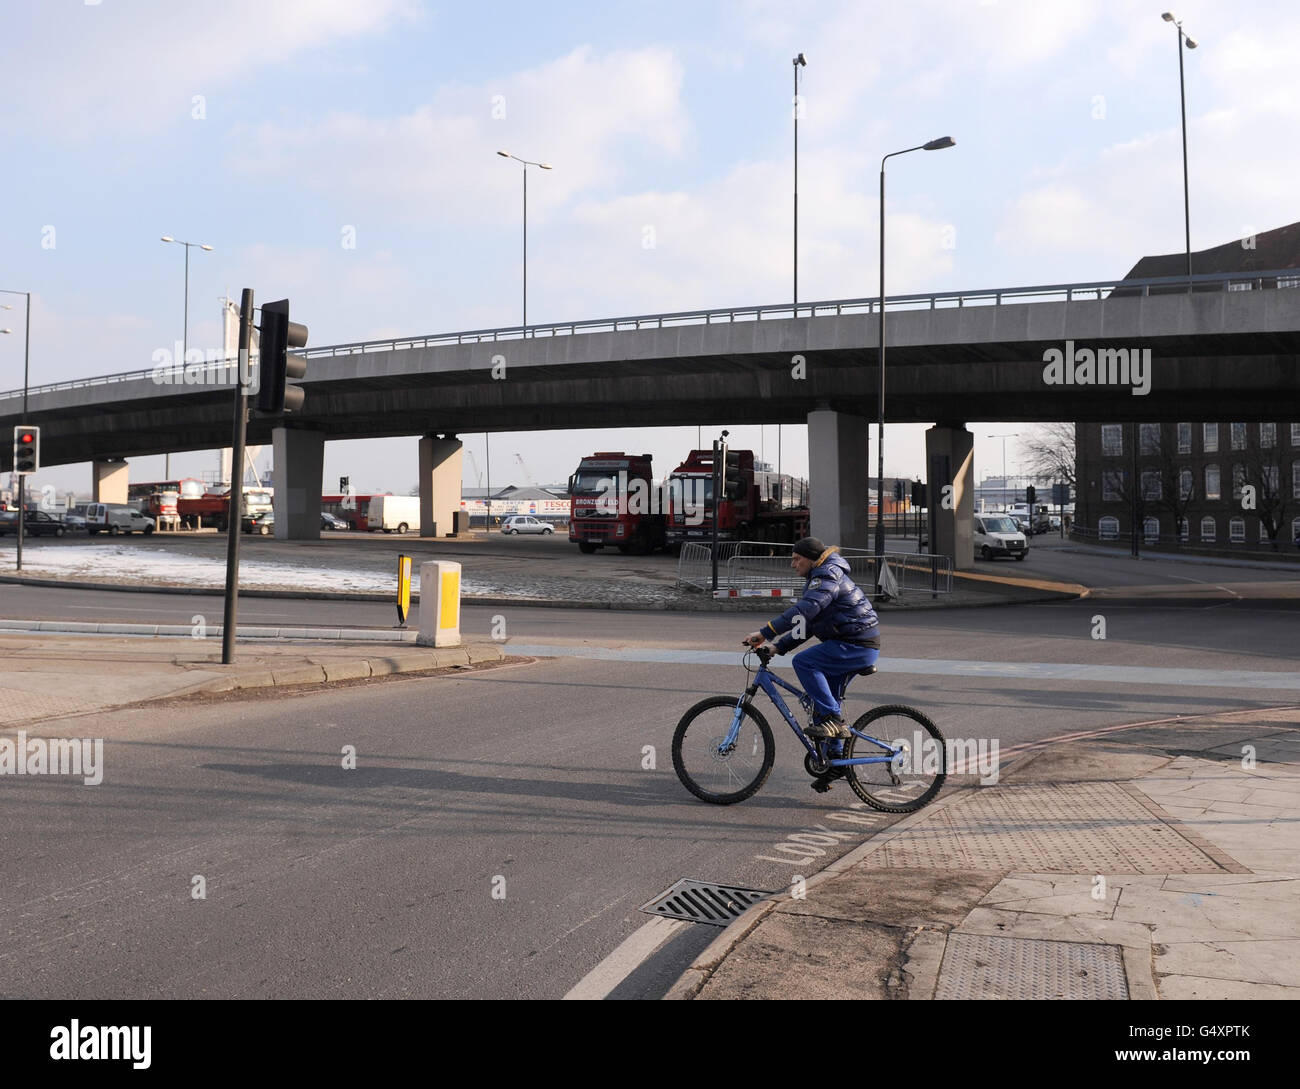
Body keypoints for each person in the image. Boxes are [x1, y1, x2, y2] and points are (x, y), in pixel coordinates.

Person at [744, 537, 881, 741]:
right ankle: (833, 762)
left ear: (811, 559)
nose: (793, 564)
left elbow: (805, 610)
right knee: (821, 708)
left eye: (797, 559)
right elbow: (808, 624)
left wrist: (766, 632)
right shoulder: (821, 576)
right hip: (850, 643)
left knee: (804, 662)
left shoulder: (826, 576)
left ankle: (834, 720)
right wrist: (779, 646)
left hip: (856, 644)